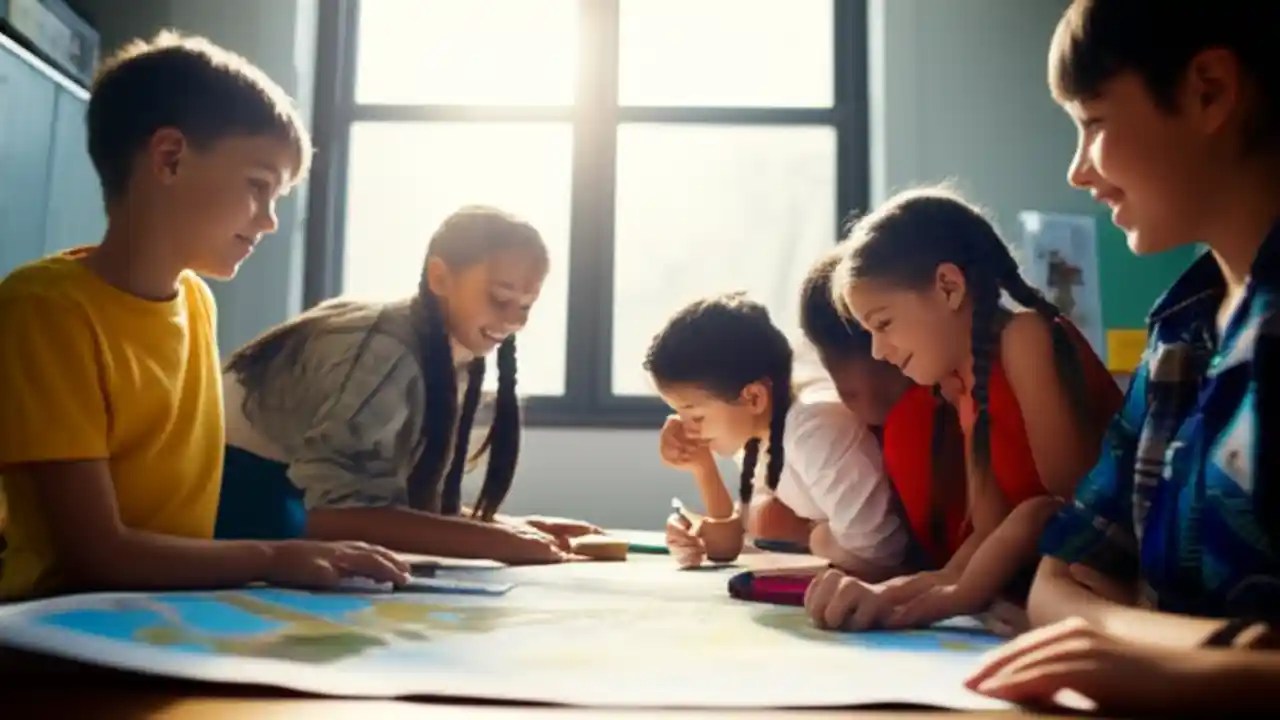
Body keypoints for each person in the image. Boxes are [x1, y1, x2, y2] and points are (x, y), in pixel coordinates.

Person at [0, 32, 408, 600]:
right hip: (56, 633)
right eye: (259, 187)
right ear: (170, 158)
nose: (268, 221)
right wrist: (271, 556)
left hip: (162, 613)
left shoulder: (195, 301)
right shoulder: (45, 310)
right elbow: (96, 553)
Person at [968, 1, 1280, 712]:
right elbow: (1059, 575)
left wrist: (1184, 667)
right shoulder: (1181, 334)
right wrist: (1153, 646)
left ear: (1209, 92)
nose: (1077, 170)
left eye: (1095, 122)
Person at [804, 186, 1121, 631]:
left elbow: (1066, 508)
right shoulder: (964, 386)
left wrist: (953, 599)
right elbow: (983, 541)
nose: (877, 351)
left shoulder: (1026, 337)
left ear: (948, 287)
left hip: (1112, 577)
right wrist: (889, 595)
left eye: (884, 324)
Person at [217, 206, 599, 564]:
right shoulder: (385, 349)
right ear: (439, 278)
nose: (514, 320)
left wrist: (501, 527)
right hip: (227, 507)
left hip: (280, 510)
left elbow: (383, 500)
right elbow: (330, 517)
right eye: (499, 297)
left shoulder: (449, 350)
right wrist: (491, 542)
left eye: (526, 305)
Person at [645, 293, 908, 577]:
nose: (684, 428)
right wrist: (703, 469)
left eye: (695, 416)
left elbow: (882, 556)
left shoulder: (813, 431)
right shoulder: (756, 438)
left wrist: (812, 536)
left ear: (754, 397)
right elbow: (740, 540)